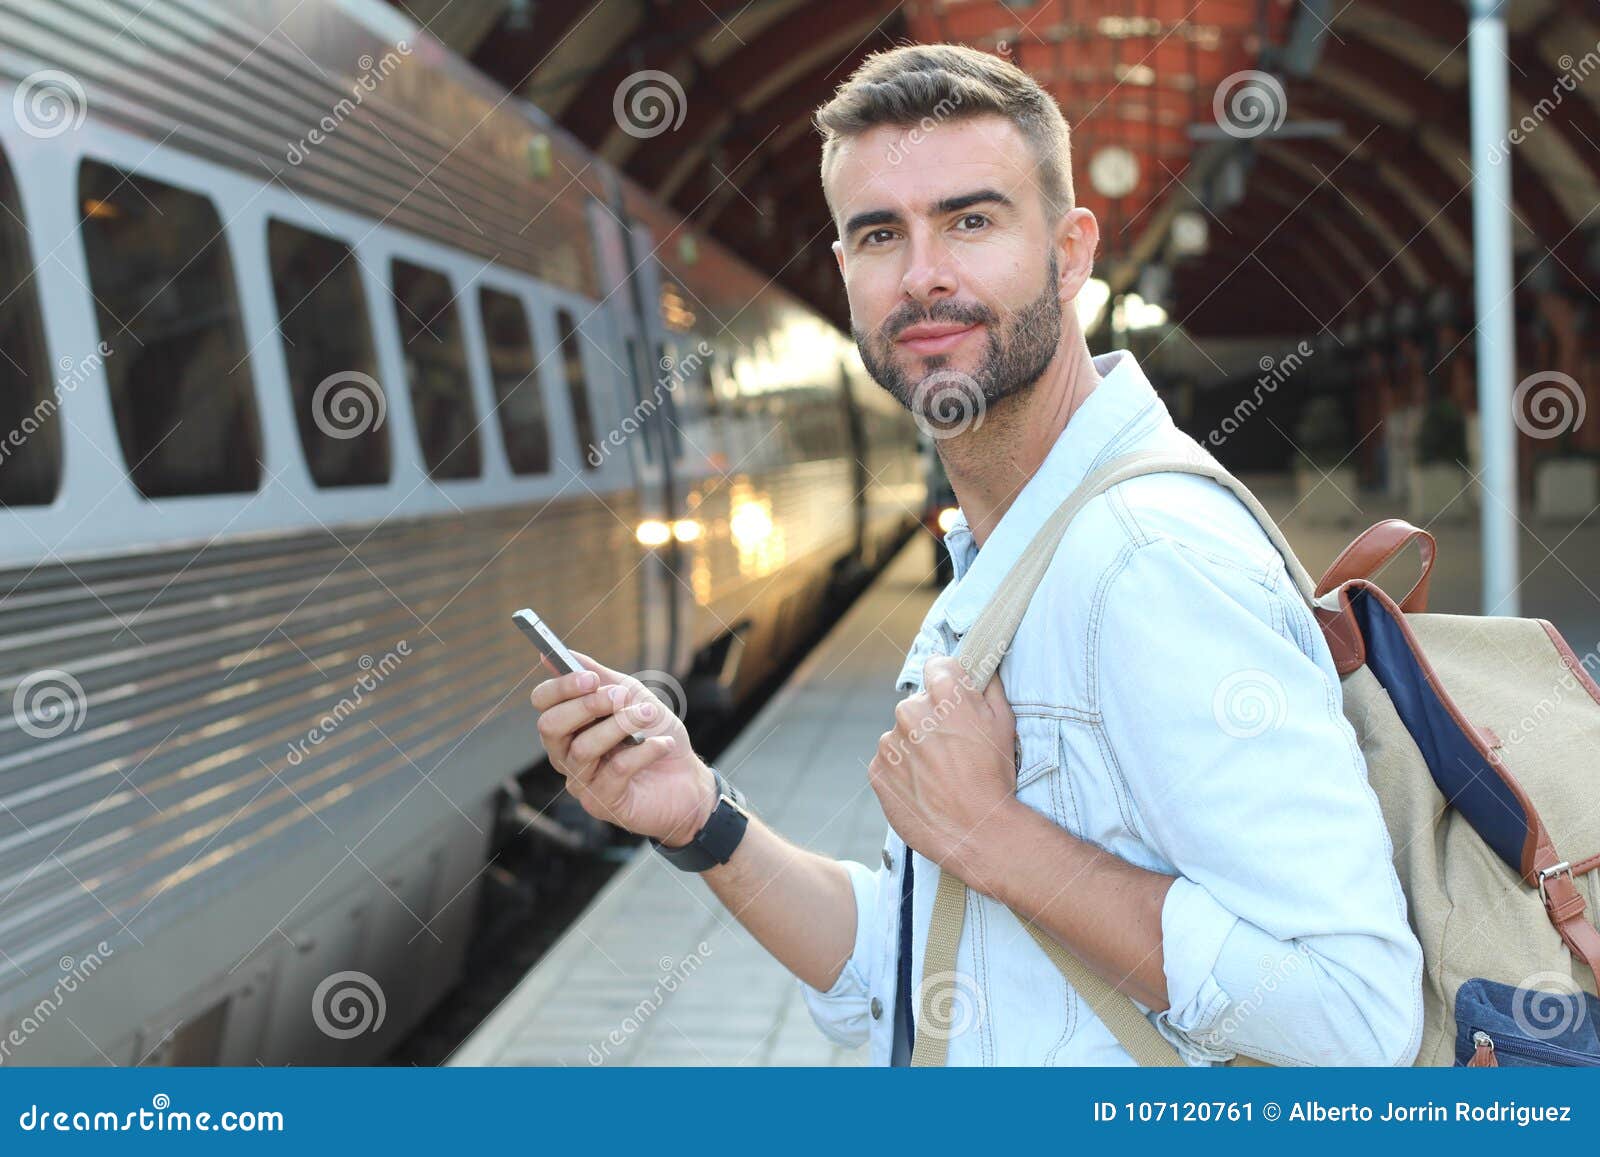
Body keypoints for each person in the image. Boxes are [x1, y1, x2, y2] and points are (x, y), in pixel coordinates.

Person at [529, 43, 1423, 1066]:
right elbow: (919, 967)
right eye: (879, 234)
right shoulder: (1011, 547)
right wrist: (699, 818)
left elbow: (1356, 1022)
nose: (923, 275)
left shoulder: (1148, 561)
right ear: (845, 278)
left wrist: (996, 839)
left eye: (970, 219)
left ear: (1071, 250)